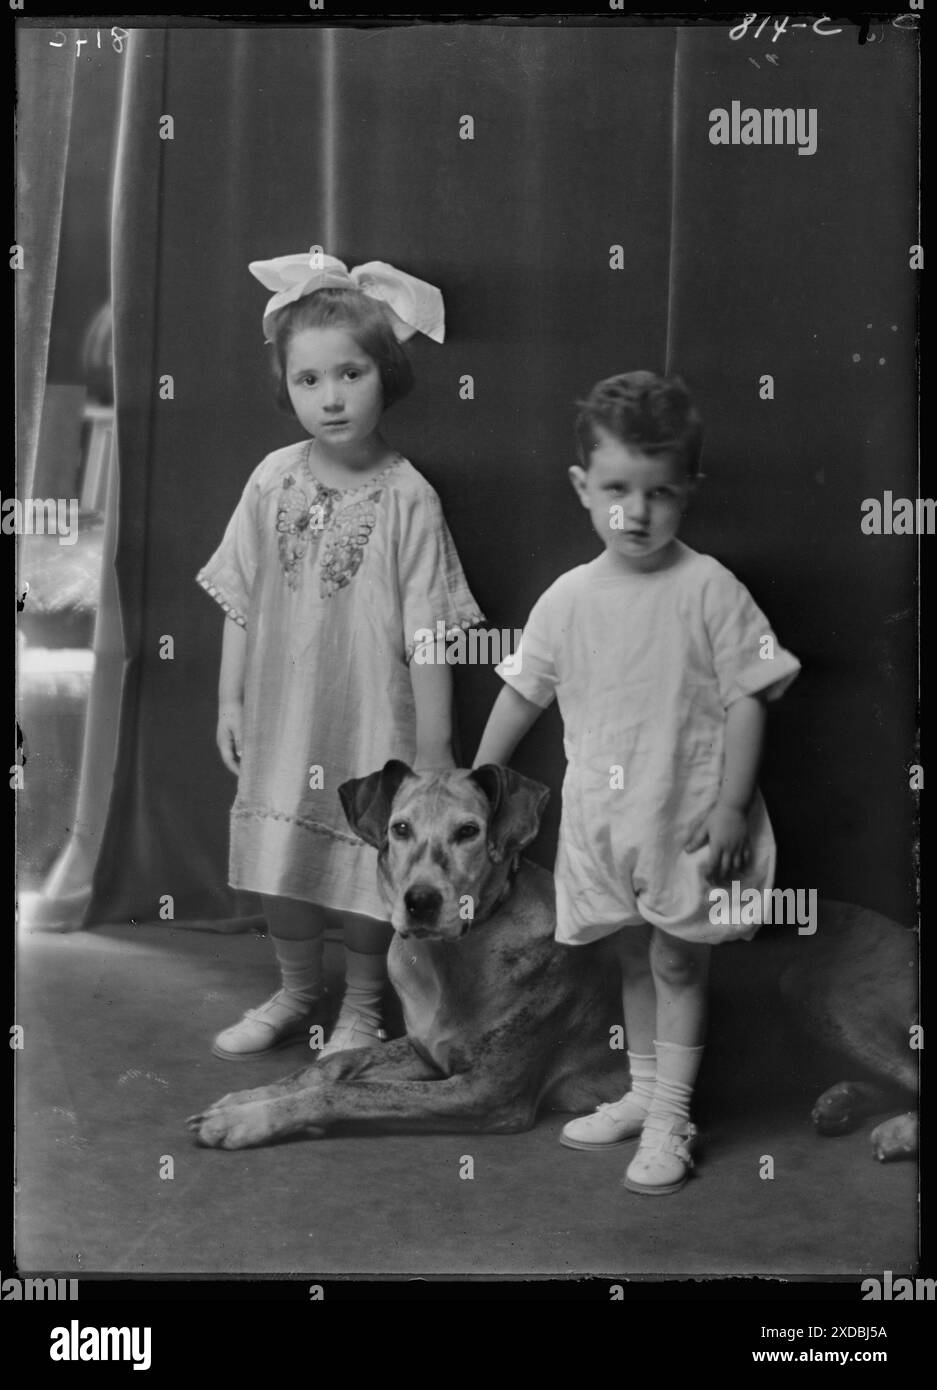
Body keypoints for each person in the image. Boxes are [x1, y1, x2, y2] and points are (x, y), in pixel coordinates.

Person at [473, 371, 800, 1194]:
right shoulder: (569, 598)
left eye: (659, 492)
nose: (637, 511)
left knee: (681, 964)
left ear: (688, 489)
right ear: (584, 488)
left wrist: (730, 805)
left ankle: (670, 1117)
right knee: (628, 957)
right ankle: (644, 1092)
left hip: (687, 819)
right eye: (617, 488)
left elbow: (748, 695)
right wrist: (478, 782)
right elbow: (523, 691)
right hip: (603, 823)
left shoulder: (707, 588)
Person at [197, 252, 482, 1062]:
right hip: (285, 716)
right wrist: (229, 702)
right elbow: (240, 598)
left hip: (370, 719)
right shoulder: (268, 480)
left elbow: (431, 630)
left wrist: (433, 753)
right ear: (284, 387)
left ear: (385, 372)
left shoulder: (408, 498)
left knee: (363, 873)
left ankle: (360, 1006)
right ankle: (295, 990)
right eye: (308, 380)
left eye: (350, 374)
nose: (330, 397)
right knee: (282, 865)